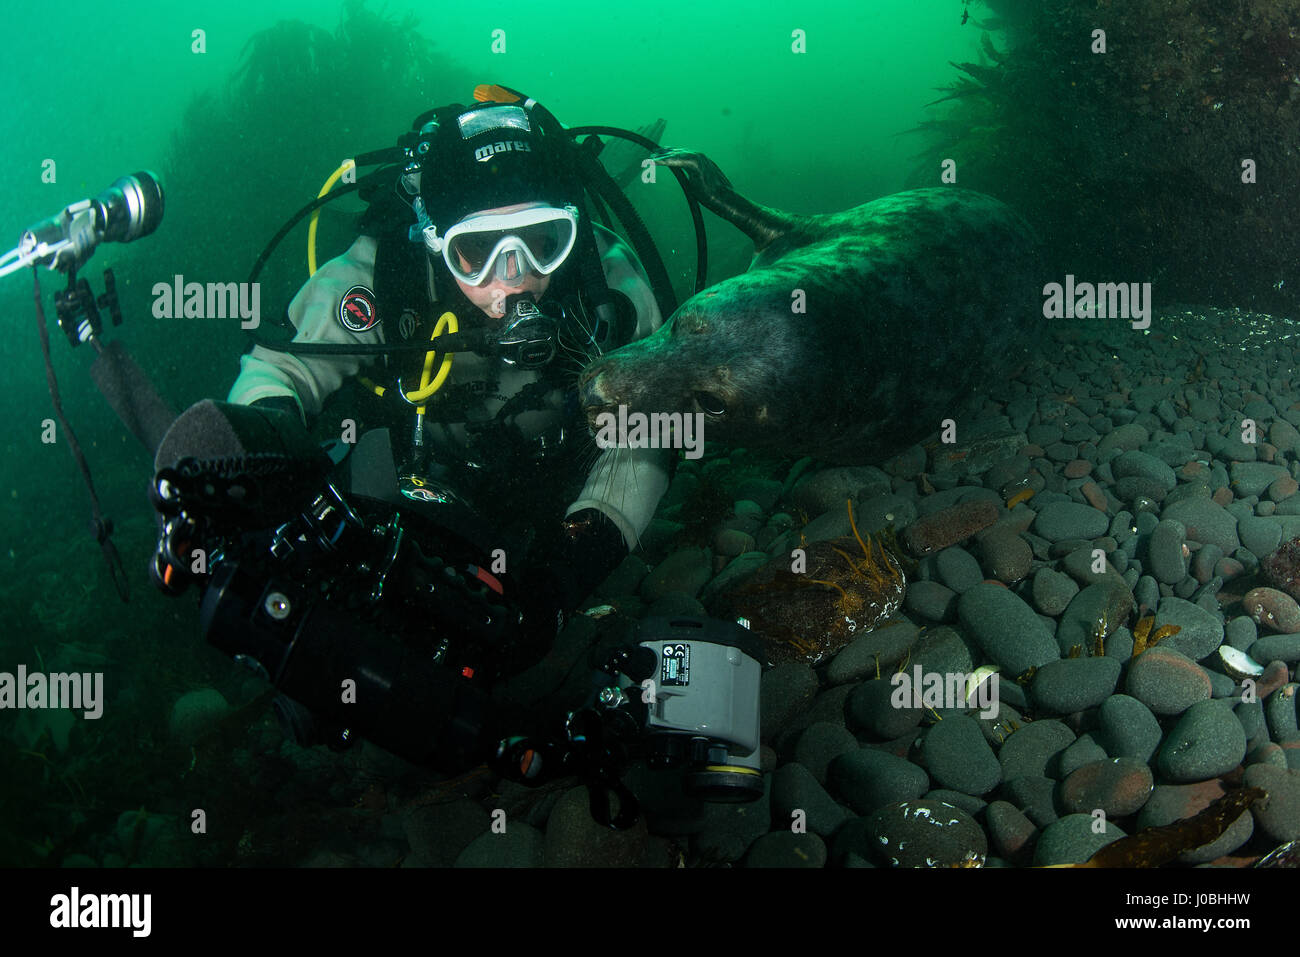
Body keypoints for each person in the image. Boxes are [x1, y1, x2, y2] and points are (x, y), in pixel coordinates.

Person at [225, 93, 672, 668]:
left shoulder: (602, 281)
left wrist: (568, 572)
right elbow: (277, 367)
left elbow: (653, 422)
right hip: (426, 488)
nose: (513, 279)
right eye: (475, 252)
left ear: (572, 232)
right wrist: (279, 481)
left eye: (542, 241)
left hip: (559, 483)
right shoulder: (386, 275)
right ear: (433, 239)